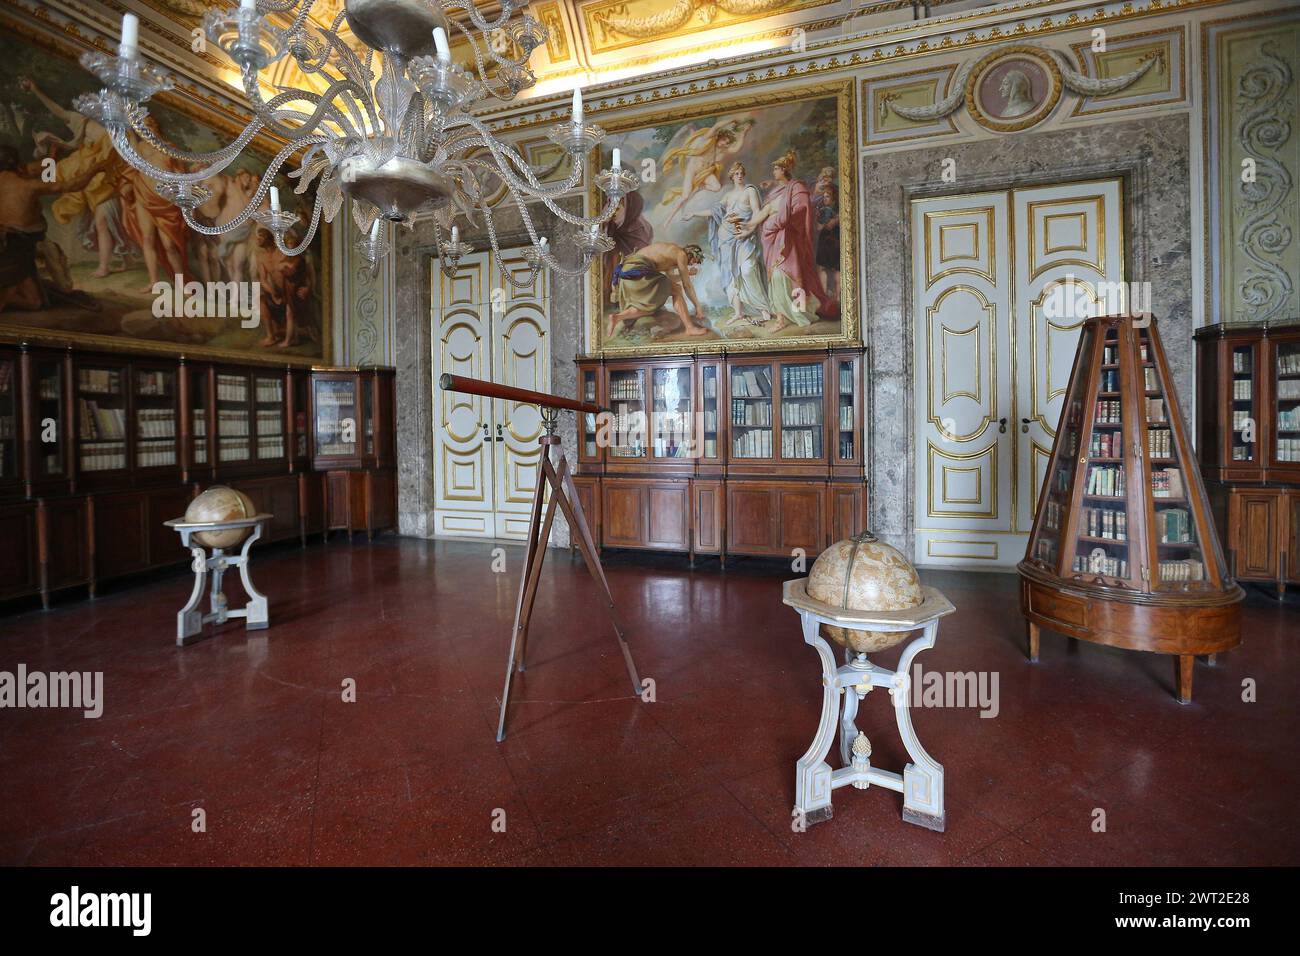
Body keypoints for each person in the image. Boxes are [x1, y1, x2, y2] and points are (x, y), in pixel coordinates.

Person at [19, 76, 133, 279]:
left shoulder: (117, 131)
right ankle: (121, 260)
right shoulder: (83, 124)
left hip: (108, 181)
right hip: (92, 183)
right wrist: (36, 90)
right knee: (106, 223)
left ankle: (105, 266)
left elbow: (119, 157)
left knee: (105, 222)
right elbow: (59, 112)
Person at [736, 150, 835, 335]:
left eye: (776, 168)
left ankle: (798, 314)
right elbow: (763, 214)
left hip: (789, 240)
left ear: (784, 170)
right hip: (773, 241)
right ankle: (781, 319)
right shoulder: (775, 192)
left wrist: (780, 220)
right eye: (774, 168)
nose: (773, 171)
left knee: (785, 277)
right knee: (774, 279)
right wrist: (748, 227)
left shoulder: (797, 188)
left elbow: (802, 210)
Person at [0, 145, 98, 312]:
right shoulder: (28, 186)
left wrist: (52, 155)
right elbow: (72, 186)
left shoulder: (16, 178)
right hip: (15, 251)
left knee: (35, 302)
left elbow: (41, 166)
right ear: (16, 163)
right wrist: (95, 169)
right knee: (52, 275)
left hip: (19, 247)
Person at [685, 161, 772, 327]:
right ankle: (738, 313)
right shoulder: (727, 196)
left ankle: (763, 308)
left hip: (744, 237)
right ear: (732, 176)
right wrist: (694, 213)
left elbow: (757, 213)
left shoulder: (750, 191)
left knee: (747, 270)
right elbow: (714, 212)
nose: (739, 176)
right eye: (736, 173)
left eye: (741, 173)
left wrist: (748, 231)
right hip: (725, 238)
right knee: (730, 275)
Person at [659, 116, 756, 223]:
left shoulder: (722, 151)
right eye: (724, 140)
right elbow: (716, 126)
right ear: (720, 137)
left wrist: (744, 133)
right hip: (693, 169)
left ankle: (700, 186)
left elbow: (737, 148)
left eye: (727, 142)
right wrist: (730, 120)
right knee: (686, 195)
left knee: (717, 187)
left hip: (705, 173)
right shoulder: (708, 140)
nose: (724, 143)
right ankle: (668, 219)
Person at [607, 242, 709, 339]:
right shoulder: (681, 254)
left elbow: (672, 278)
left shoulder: (672, 255)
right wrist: (697, 307)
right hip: (637, 270)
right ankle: (690, 328)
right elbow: (687, 285)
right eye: (693, 261)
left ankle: (617, 317)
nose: (691, 264)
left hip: (629, 272)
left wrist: (688, 274)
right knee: (676, 290)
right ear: (690, 254)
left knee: (651, 306)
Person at [812, 166, 840, 300]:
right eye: (824, 177)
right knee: (822, 267)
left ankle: (837, 297)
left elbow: (842, 212)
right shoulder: (819, 198)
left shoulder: (837, 192)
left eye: (828, 177)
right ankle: (824, 296)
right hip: (824, 238)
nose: (826, 180)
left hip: (834, 237)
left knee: (835, 268)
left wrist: (834, 221)